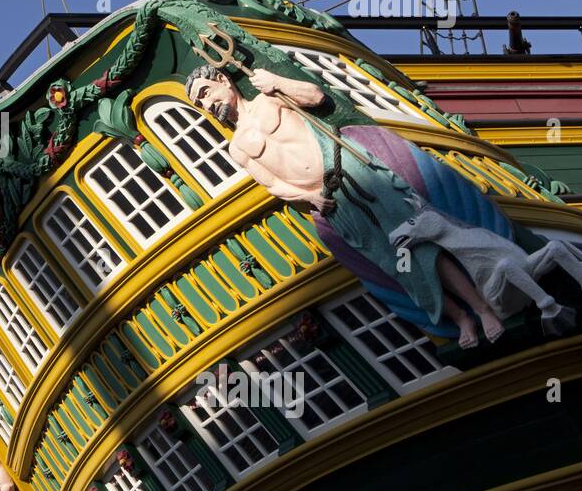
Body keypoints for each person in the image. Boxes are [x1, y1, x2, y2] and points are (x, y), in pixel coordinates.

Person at [185, 64, 507, 347]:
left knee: (420, 247)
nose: (206, 104)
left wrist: (276, 82)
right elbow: (273, 183)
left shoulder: (270, 98)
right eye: (199, 103)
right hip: (333, 203)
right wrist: (307, 198)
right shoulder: (238, 147)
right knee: (400, 267)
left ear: (225, 81)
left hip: (356, 175)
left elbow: (315, 97)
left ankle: (481, 308)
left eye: (205, 92)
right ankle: (458, 317)